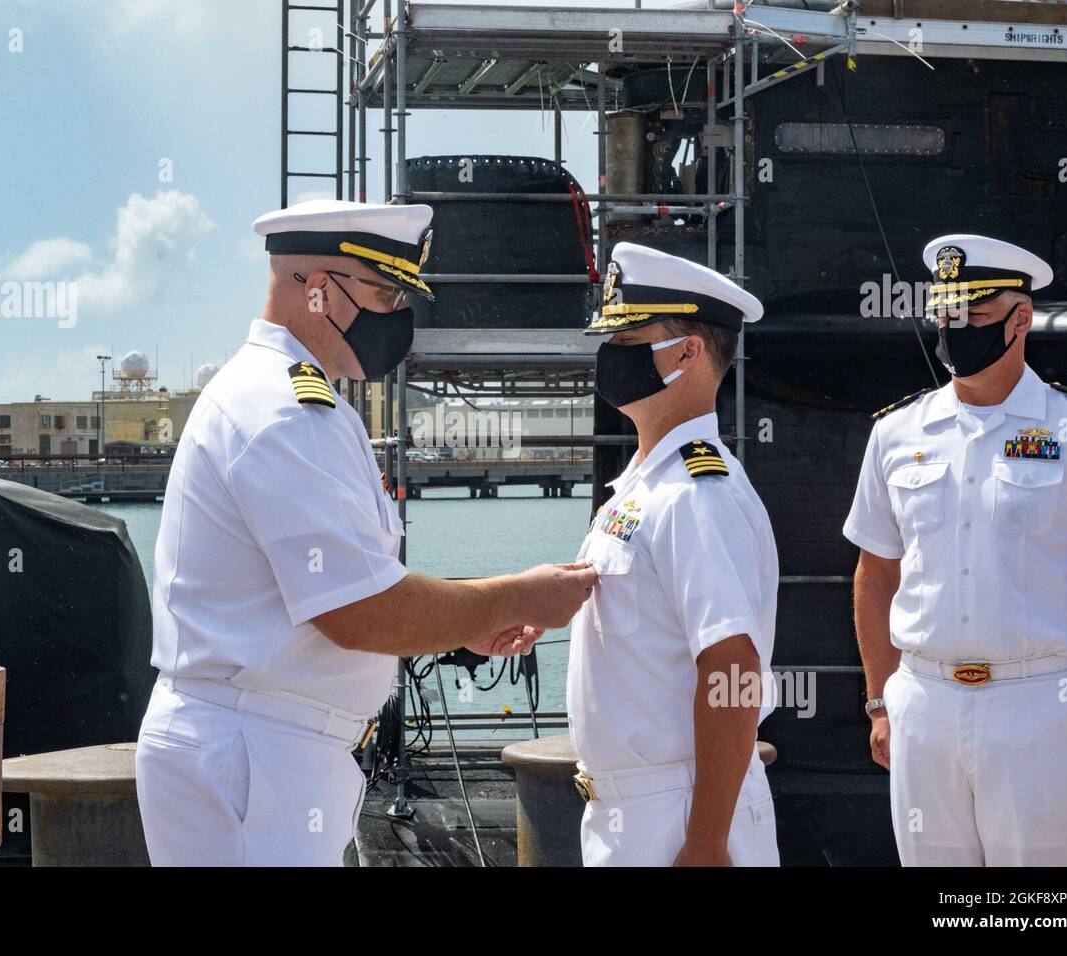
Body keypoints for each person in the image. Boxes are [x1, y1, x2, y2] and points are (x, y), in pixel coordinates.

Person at [135, 199, 597, 866]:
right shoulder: (286, 413)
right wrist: (519, 597)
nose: (397, 314)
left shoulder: (294, 400)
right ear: (317, 288)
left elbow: (354, 590)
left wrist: (458, 623)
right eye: (383, 291)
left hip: (265, 748)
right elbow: (359, 614)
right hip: (255, 755)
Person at [844, 234, 1067, 866]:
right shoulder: (895, 433)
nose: (951, 327)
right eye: (943, 312)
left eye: (971, 313)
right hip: (923, 702)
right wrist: (880, 700)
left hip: (1037, 706)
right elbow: (876, 573)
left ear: (1021, 319)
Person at [566, 242, 780, 866]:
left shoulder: (695, 493)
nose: (610, 356)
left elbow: (734, 669)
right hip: (635, 812)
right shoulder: (644, 486)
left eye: (628, 341)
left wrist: (708, 842)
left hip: (680, 812)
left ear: (687, 351)